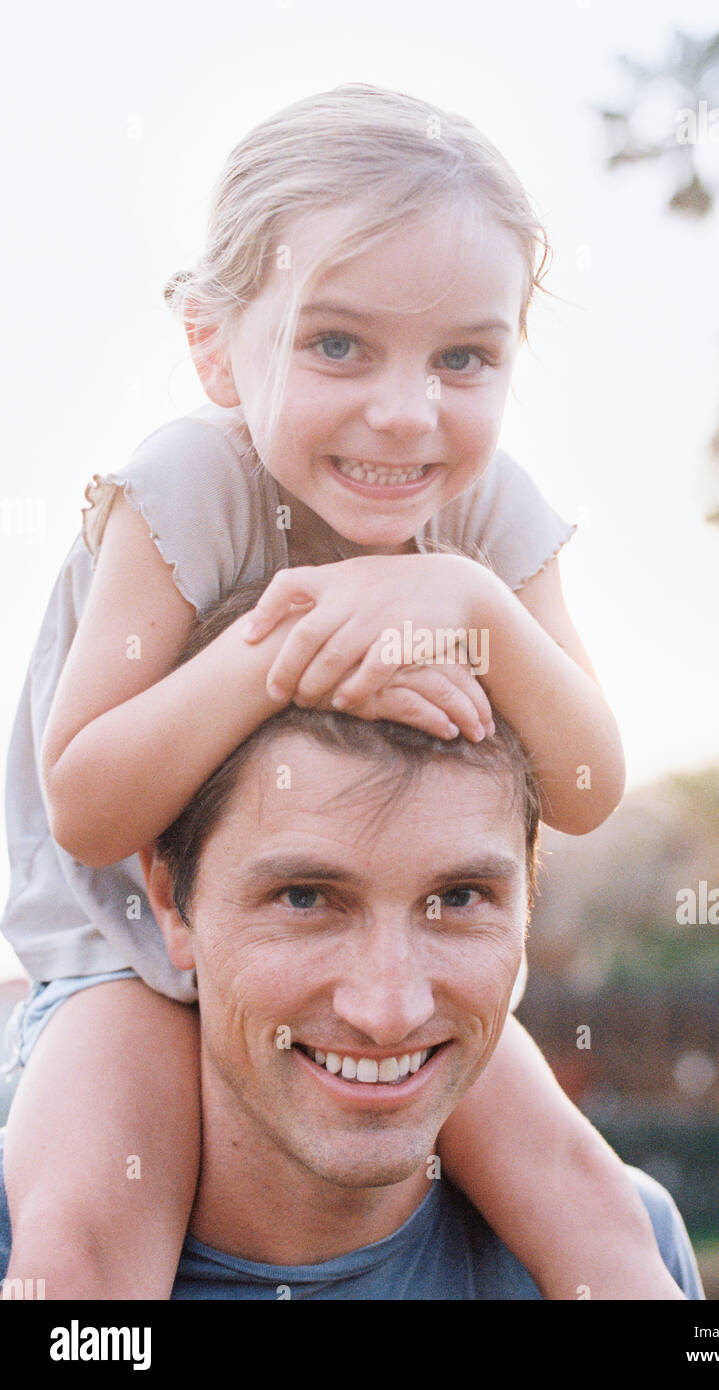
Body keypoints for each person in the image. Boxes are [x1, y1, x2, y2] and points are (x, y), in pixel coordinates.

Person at [1, 83, 672, 1300]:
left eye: (463, 356)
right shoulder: (188, 489)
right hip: (123, 942)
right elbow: (89, 811)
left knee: (593, 1207)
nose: (404, 412)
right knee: (85, 1248)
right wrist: (274, 651)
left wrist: (475, 613)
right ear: (215, 343)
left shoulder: (483, 514)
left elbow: (584, 785)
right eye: (336, 344)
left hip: (375, 969)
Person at [1, 593, 703, 1298]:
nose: (389, 1011)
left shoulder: (628, 1250)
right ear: (169, 902)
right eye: (304, 898)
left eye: (458, 899)